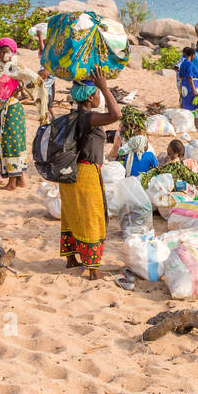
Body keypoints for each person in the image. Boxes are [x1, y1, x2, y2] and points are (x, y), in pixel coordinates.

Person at [58, 71, 121, 278]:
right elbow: (116, 115)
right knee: (91, 217)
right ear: (89, 97)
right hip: (84, 172)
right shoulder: (87, 117)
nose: (99, 97)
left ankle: (71, 259)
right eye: (97, 94)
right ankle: (93, 271)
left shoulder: (72, 116)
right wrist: (104, 85)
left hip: (69, 173)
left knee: (71, 215)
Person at [0, 37, 39, 190]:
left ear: (13, 53)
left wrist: (20, 91)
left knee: (13, 143)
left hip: (11, 109)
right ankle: (20, 180)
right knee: (6, 142)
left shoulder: (16, 67)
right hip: (0, 109)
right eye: (1, 51)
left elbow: (30, 83)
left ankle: (12, 183)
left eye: (7, 52)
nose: (4, 54)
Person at [177, 47, 198, 112]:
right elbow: (190, 77)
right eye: (194, 55)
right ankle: (194, 122)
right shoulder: (189, 64)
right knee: (193, 107)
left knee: (186, 105)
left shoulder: (183, 63)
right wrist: (194, 90)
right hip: (191, 88)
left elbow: (181, 76)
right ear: (192, 55)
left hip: (184, 87)